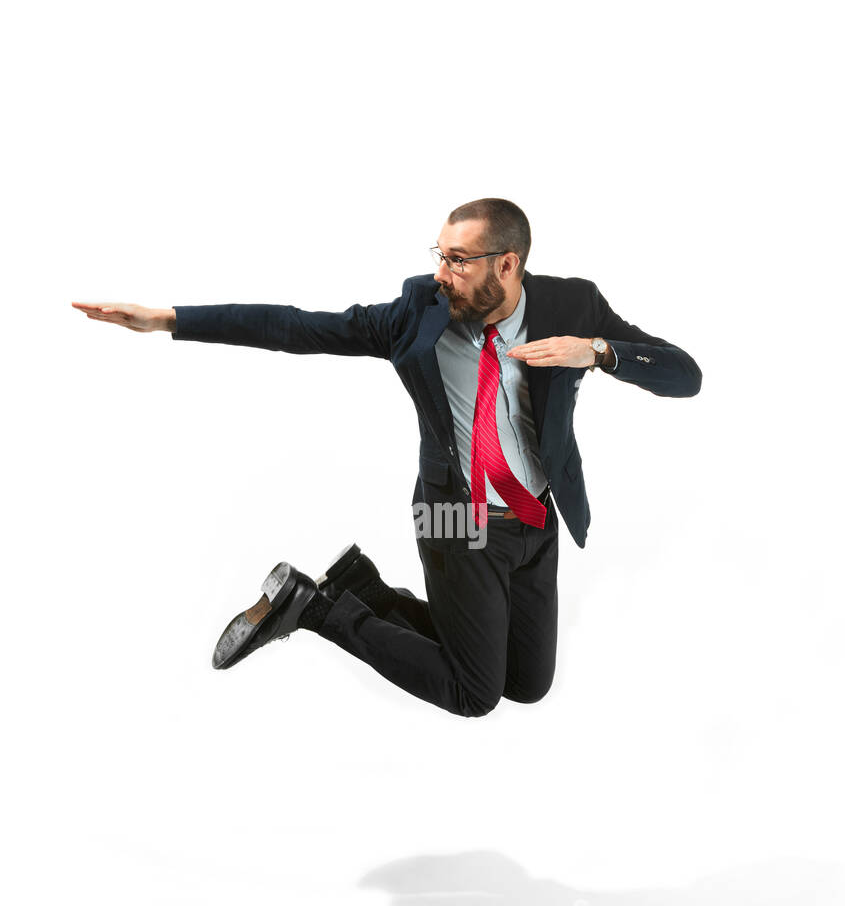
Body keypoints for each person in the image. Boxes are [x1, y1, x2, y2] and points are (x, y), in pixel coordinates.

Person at [72, 197, 702, 717]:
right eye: (440, 255)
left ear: (507, 264)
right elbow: (297, 327)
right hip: (455, 517)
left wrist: (598, 351)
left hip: (537, 516)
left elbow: (684, 374)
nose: (441, 273)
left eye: (458, 260)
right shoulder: (417, 313)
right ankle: (315, 606)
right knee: (473, 692)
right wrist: (169, 320)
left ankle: (360, 588)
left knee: (527, 684)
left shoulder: (573, 307)